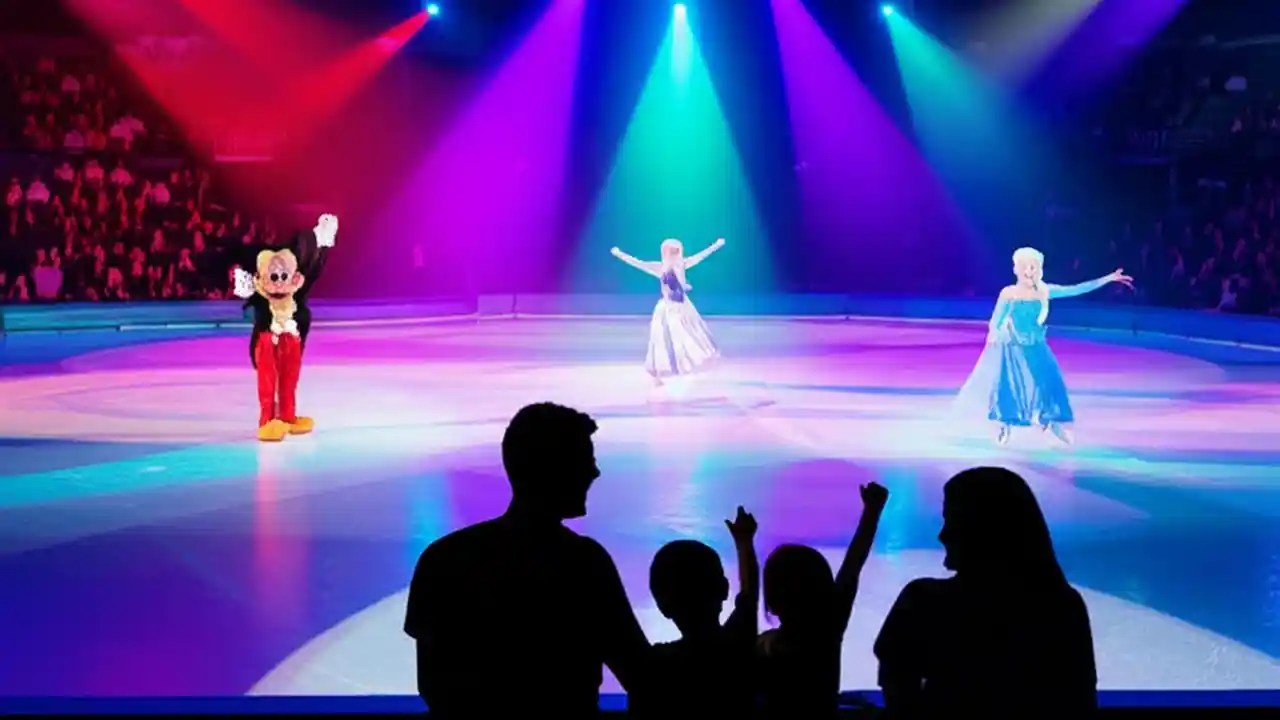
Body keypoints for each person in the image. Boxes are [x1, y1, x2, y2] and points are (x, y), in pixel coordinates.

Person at [404, 403, 649, 720]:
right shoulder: (585, 563)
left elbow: (434, 687)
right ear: (555, 468)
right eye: (584, 459)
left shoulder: (442, 559)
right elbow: (639, 672)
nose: (594, 471)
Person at [874, 467, 1097, 719]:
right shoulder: (1064, 607)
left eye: (954, 522)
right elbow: (1080, 704)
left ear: (983, 531)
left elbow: (900, 703)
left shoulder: (922, 601)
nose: (942, 535)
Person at [955, 247, 1133, 445]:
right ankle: (1005, 424)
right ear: (1016, 269)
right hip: (1012, 346)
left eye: (1033, 267)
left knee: (1048, 382)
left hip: (1036, 345)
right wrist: (996, 335)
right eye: (1025, 267)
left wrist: (1107, 279)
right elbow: (995, 321)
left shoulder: (1044, 291)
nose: (1029, 271)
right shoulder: (1009, 293)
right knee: (1009, 384)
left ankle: (1050, 420)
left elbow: (1075, 289)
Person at [757, 482, 889, 720]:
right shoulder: (826, 632)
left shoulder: (761, 646)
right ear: (824, 589)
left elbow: (852, 566)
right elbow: (852, 566)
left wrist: (744, 543)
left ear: (772, 597)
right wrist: (872, 511)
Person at [632, 506, 759, 719]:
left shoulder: (655, 665)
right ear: (723, 589)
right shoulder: (736, 649)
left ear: (662, 605)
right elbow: (749, 595)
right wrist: (744, 543)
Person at [232, 213, 336, 441]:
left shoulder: (296, 289)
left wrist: (324, 246)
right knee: (269, 381)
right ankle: (268, 419)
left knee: (289, 379)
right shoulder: (261, 292)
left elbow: (312, 272)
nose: (279, 283)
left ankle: (287, 415)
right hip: (268, 340)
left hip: (290, 338)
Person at [610, 237, 724, 386]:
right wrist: (619, 254)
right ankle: (658, 371)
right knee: (663, 339)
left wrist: (715, 245)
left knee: (689, 335)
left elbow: (701, 256)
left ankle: (683, 365)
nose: (676, 254)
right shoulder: (660, 267)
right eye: (673, 252)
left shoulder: (682, 264)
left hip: (683, 307)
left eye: (677, 252)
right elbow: (638, 263)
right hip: (667, 309)